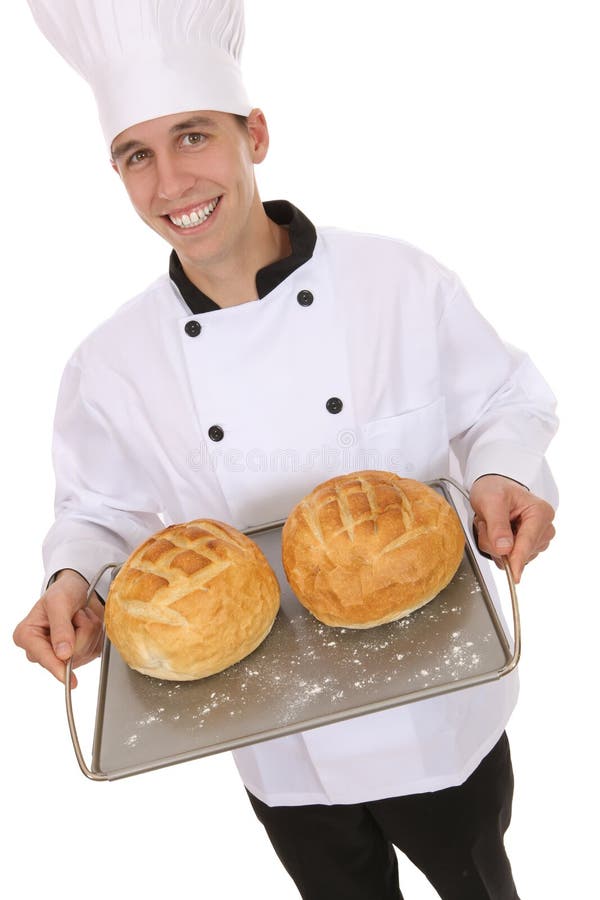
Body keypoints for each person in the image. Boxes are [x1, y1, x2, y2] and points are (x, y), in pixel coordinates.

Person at [13, 2, 557, 898]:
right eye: (136, 155)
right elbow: (96, 511)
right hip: (269, 738)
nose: (170, 180)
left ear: (254, 134)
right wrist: (70, 584)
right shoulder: (109, 364)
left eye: (193, 136)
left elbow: (502, 401)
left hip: (436, 713)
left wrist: (501, 476)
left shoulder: (397, 281)